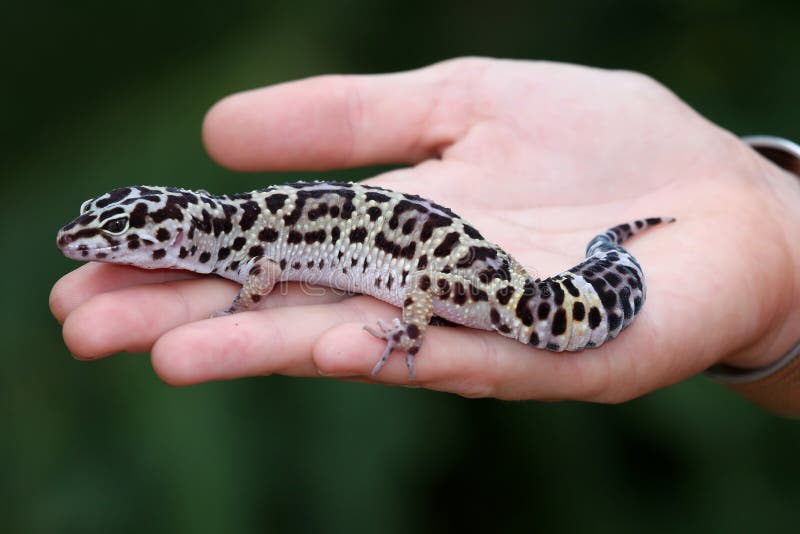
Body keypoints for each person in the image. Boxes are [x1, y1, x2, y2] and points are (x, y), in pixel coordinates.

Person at [49, 57, 800, 416]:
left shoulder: (248, 245)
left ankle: (582, 270)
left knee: (439, 292)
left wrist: (409, 322)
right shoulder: (242, 232)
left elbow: (266, 273)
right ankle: (602, 258)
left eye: (116, 239)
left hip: (472, 291)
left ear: (174, 231)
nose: (94, 244)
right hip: (480, 269)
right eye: (111, 238)